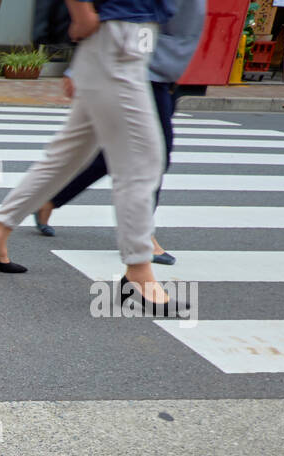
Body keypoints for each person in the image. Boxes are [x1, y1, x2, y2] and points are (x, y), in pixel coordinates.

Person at [0, 0, 179, 314]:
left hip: (124, 39)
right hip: (117, 39)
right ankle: (138, 270)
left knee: (68, 155)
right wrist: (81, 12)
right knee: (141, 162)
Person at [34, 0, 205, 267]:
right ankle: (142, 244)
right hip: (141, 71)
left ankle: (46, 202)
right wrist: (76, 68)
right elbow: (117, 13)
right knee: (152, 159)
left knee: (108, 155)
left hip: (165, 75)